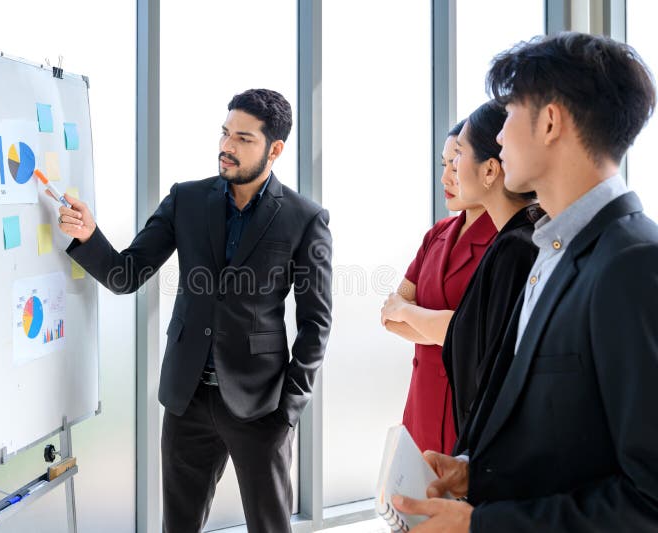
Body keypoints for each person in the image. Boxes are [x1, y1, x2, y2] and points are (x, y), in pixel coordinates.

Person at [392, 32, 658, 532]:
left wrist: (479, 526)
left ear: (551, 122)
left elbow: (648, 501)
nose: (498, 137)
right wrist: (474, 473)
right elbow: (568, 441)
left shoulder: (634, 263)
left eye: (510, 113)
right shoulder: (545, 248)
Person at [57, 89, 332, 533]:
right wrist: (89, 236)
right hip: (187, 398)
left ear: (275, 149)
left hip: (261, 405)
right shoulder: (186, 199)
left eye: (243, 138)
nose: (227, 146)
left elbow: (316, 322)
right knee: (179, 526)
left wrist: (289, 410)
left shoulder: (304, 217)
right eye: (225, 133)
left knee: (270, 527)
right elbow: (126, 275)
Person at [381, 120, 497, 455]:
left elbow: (475, 333)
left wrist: (409, 311)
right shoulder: (438, 234)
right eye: (443, 165)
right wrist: (441, 325)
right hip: (423, 404)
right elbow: (390, 317)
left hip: (467, 406)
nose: (446, 177)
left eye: (456, 164)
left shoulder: (507, 241)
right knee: (411, 501)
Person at [442, 101, 541, 440]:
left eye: (458, 155)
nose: (452, 170)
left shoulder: (516, 249)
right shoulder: (514, 240)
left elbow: (496, 378)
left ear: (489, 171)